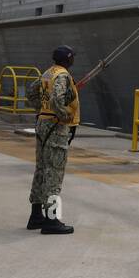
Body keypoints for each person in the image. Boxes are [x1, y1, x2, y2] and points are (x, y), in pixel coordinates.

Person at [25, 46, 80, 235]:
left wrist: (41, 109)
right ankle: (51, 219)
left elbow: (31, 93)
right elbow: (57, 99)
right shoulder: (63, 76)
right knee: (54, 172)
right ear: (68, 59)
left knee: (41, 168)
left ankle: (36, 216)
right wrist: (65, 116)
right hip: (56, 127)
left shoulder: (47, 73)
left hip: (42, 124)